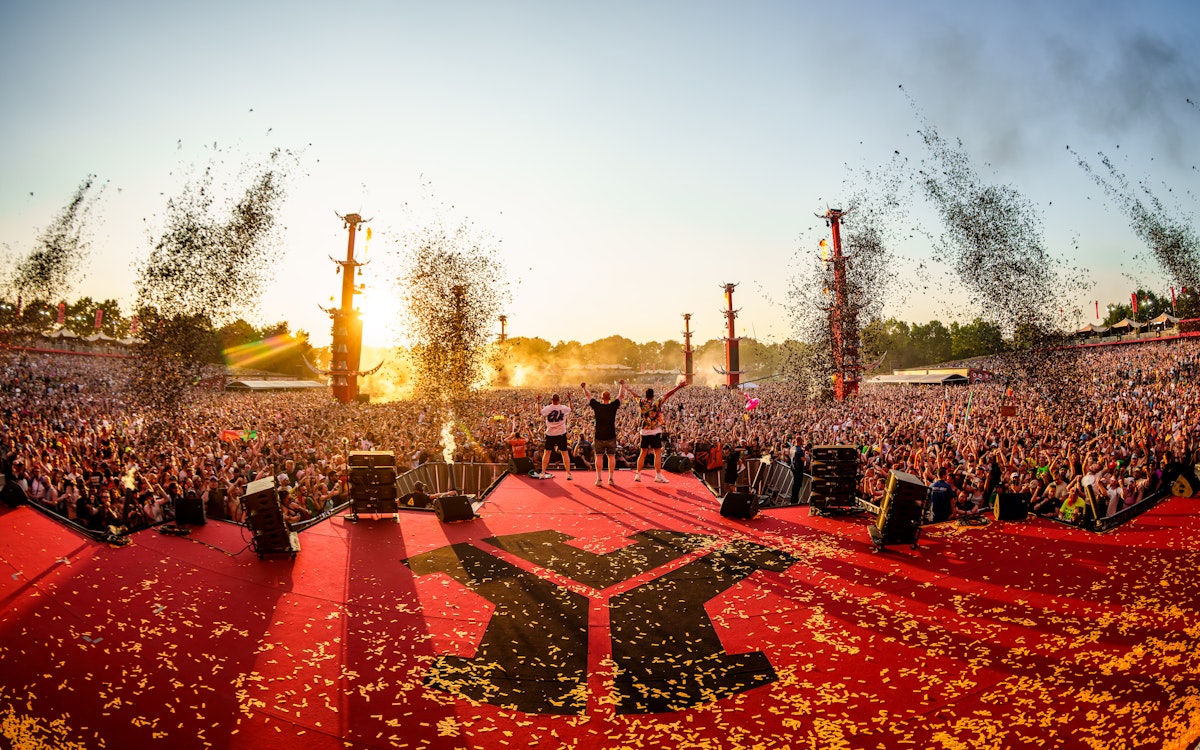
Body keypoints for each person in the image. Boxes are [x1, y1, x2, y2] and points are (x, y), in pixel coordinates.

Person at [624, 380, 686, 483]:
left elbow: (634, 394)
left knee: (642, 453)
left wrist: (627, 387)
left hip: (644, 431)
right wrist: (678, 387)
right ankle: (658, 475)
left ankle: (638, 475)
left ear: (646, 395)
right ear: (653, 396)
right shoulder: (656, 403)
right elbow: (668, 394)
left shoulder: (641, 402)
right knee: (657, 453)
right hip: (655, 431)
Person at [582, 381, 622, 486]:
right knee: (611, 457)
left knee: (599, 457)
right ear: (610, 398)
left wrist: (584, 388)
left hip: (599, 435)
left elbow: (588, 396)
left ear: (601, 398)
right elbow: (621, 396)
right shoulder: (613, 406)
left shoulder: (597, 406)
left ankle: (599, 479)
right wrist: (622, 386)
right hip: (611, 435)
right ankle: (611, 478)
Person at [537, 393, 573, 480]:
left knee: (547, 453)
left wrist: (538, 402)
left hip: (550, 434)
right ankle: (568, 474)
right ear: (559, 400)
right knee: (564, 453)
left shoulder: (548, 408)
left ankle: (543, 473)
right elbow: (571, 409)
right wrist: (569, 399)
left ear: (551, 400)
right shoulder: (563, 408)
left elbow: (539, 412)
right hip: (561, 434)